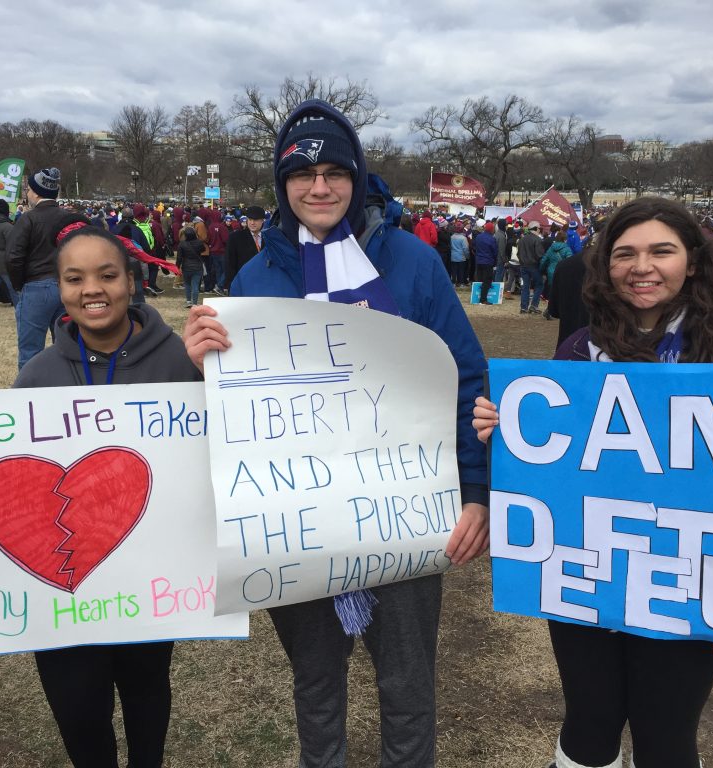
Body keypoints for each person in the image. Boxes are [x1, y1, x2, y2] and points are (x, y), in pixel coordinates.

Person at [183, 98, 489, 768]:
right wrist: (200, 361)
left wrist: (475, 491)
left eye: (334, 171)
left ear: (357, 177)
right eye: (302, 173)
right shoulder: (255, 277)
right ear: (281, 184)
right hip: (297, 520)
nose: (319, 186)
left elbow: (465, 379)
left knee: (407, 684)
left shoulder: (413, 263)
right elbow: (234, 415)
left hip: (406, 512)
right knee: (315, 681)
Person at [472, 197, 713, 768]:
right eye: (625, 254)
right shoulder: (577, 350)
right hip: (590, 569)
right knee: (588, 722)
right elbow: (556, 460)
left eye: (660, 251)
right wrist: (509, 430)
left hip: (690, 575)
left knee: (665, 733)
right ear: (606, 266)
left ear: (691, 262)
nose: (642, 266)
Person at [0, 224, 198, 766]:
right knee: (80, 718)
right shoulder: (38, 375)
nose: (91, 289)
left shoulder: (180, 365)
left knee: (148, 701)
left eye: (106, 275)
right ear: (59, 288)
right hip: (58, 607)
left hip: (148, 593)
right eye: (74, 278)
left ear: (131, 282)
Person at [6, 167, 67, 369]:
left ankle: (30, 396)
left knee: (30, 352)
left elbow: (14, 257)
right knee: (67, 347)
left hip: (36, 286)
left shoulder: (28, 219)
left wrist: (18, 284)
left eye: (29, 190)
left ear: (36, 192)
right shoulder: (67, 218)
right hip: (66, 286)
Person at [223, 205, 266, 291]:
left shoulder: (269, 238)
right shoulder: (235, 238)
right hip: (243, 285)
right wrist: (231, 285)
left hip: (264, 285)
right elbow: (229, 263)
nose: (252, 223)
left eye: (256, 220)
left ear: (262, 221)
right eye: (250, 219)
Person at [516, 221, 546, 314]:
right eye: (539, 228)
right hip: (534, 266)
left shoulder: (522, 239)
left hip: (523, 266)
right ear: (536, 229)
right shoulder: (537, 240)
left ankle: (523, 307)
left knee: (525, 286)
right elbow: (540, 255)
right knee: (539, 285)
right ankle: (534, 305)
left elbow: (518, 253)